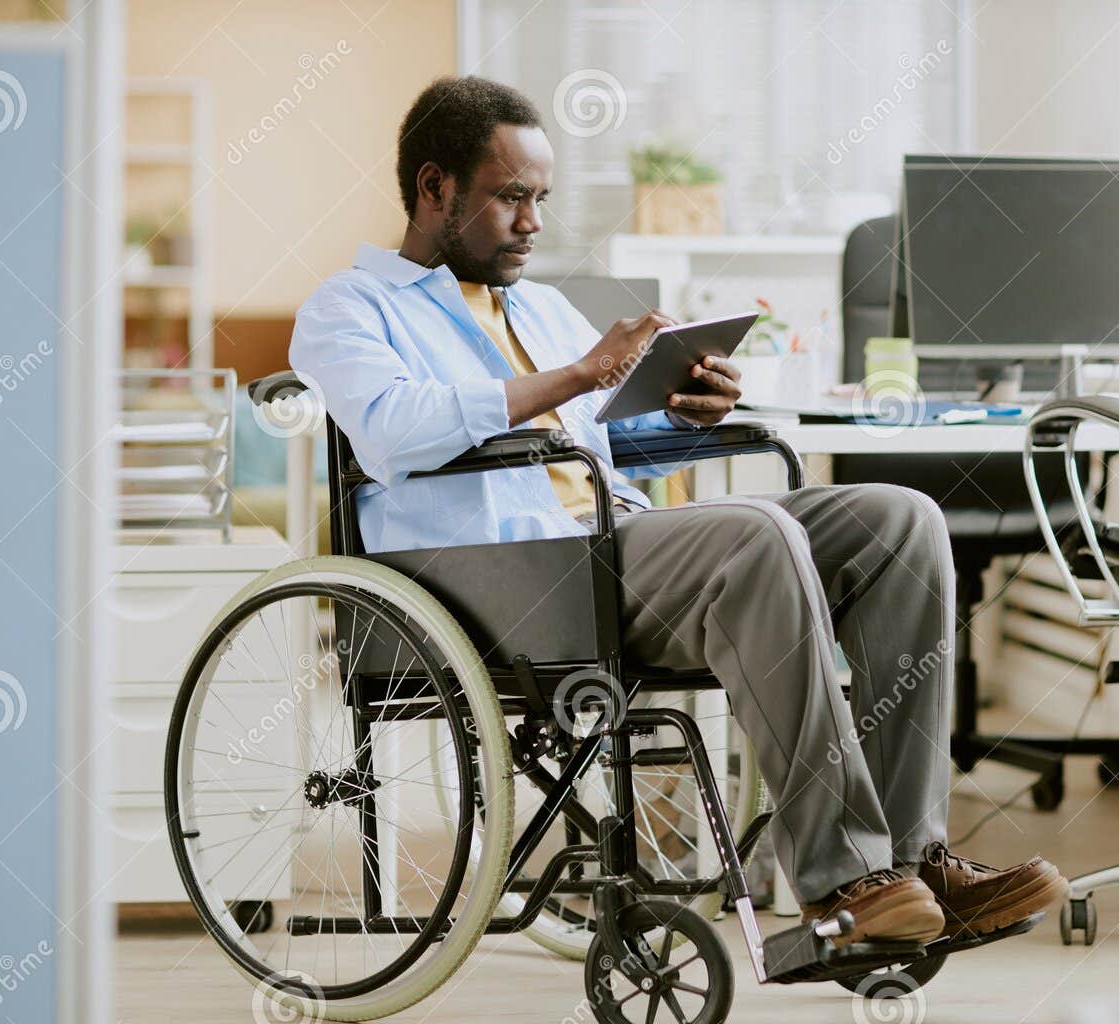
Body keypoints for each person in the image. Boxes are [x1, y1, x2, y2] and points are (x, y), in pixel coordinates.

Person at [289, 75, 1068, 945]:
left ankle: (917, 861)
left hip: (604, 551)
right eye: (511, 197)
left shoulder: (542, 310)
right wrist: (583, 374)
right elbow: (396, 433)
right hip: (494, 582)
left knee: (901, 520)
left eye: (541, 198)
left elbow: (590, 445)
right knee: (755, 532)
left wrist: (679, 412)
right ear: (435, 188)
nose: (533, 222)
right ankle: (845, 882)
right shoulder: (347, 310)